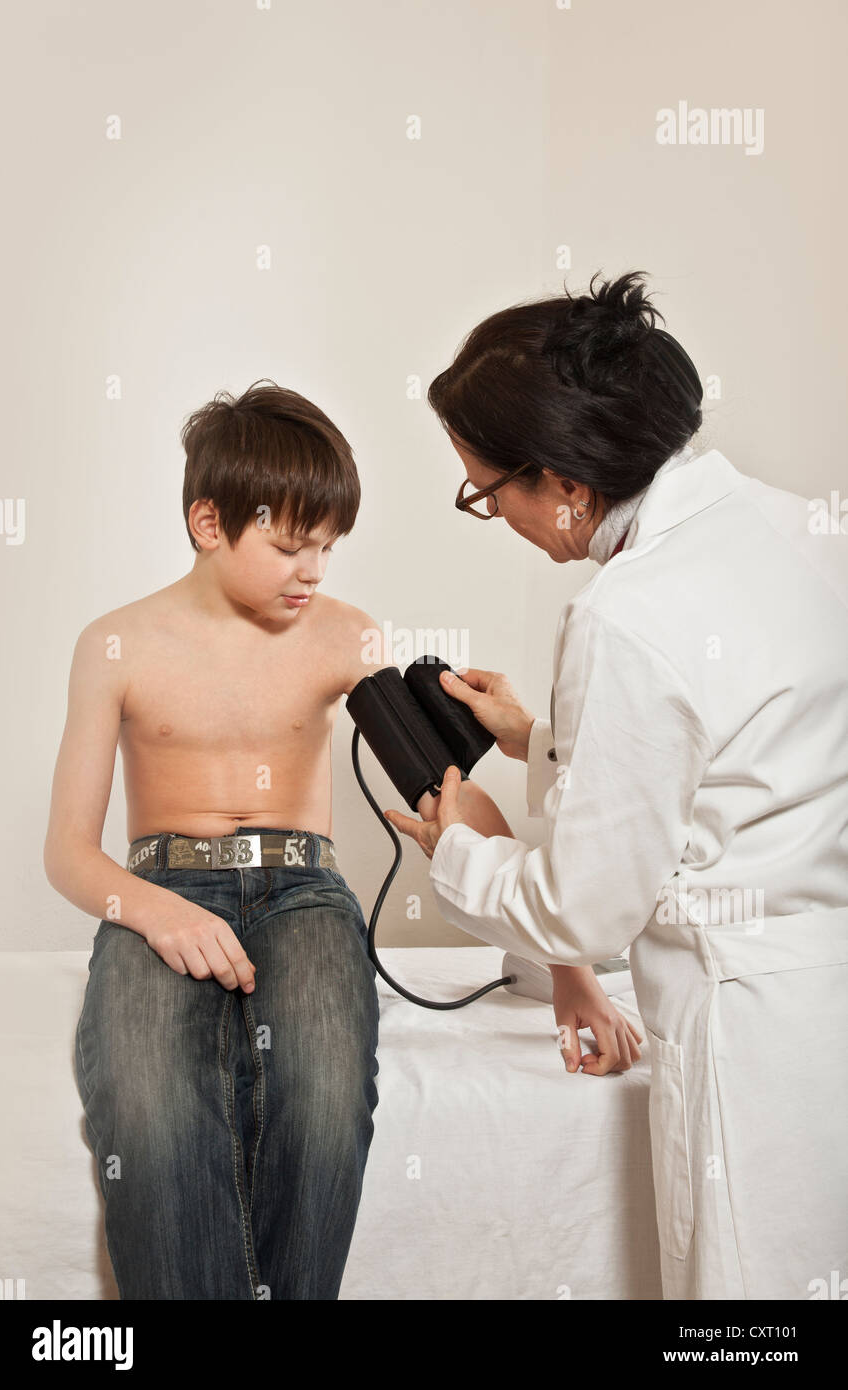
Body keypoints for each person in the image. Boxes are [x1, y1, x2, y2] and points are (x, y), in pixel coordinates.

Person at [385, 270, 848, 1300]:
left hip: (744, 1044)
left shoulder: (625, 618)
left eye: (484, 492)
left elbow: (584, 910)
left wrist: (460, 841)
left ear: (562, 486)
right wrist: (545, 739)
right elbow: (734, 752)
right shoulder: (803, 528)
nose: (492, 512)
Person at [45, 381, 397, 1300]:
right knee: (149, 1113)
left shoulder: (348, 638)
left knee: (324, 1102)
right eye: (290, 545)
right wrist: (156, 914)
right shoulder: (115, 643)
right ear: (209, 521)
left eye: (326, 546)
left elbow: (446, 794)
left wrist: (564, 968)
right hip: (165, 889)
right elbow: (69, 852)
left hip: (305, 891)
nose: (313, 571)